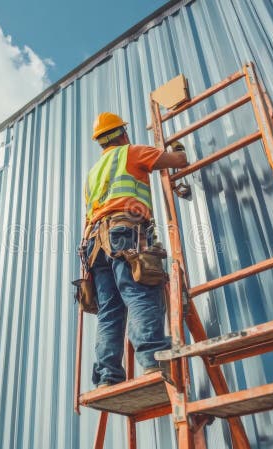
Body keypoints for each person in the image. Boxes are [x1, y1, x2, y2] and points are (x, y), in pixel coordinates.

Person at [82, 112, 188, 387]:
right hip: (125, 232)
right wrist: (177, 148)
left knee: (109, 310)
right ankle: (153, 359)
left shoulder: (92, 174)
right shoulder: (132, 152)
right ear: (123, 134)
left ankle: (107, 376)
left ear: (101, 143)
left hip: (95, 244)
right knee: (140, 292)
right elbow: (178, 161)